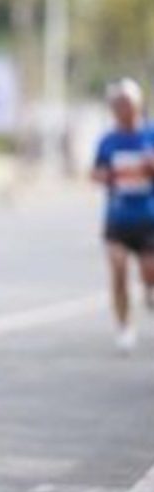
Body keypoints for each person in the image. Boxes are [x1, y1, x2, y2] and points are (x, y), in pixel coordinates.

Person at [91, 77, 154, 354]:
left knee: (148, 271)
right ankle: (124, 327)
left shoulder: (150, 135)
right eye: (117, 104)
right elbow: (95, 172)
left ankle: (149, 291)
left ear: (137, 105)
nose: (121, 109)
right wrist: (107, 175)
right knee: (117, 269)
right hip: (117, 217)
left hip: (148, 217)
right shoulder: (108, 140)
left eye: (126, 103)